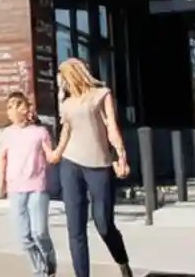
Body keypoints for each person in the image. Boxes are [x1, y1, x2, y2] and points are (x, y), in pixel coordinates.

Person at [57, 58, 134, 277]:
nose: (61, 83)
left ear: (72, 74)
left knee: (104, 224)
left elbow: (111, 126)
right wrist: (56, 153)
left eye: (62, 77)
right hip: (70, 164)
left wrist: (121, 156)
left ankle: (122, 262)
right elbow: (66, 132)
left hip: (99, 165)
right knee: (76, 228)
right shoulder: (66, 103)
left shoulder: (102, 94)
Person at [0, 91, 64, 277]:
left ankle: (49, 262)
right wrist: (1, 183)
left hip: (37, 187)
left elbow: (51, 156)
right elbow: (2, 158)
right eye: (9, 107)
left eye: (14, 106)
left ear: (24, 109)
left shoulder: (40, 132)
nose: (10, 111)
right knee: (24, 237)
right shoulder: (7, 134)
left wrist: (63, 143)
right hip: (15, 188)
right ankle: (40, 272)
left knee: (39, 233)